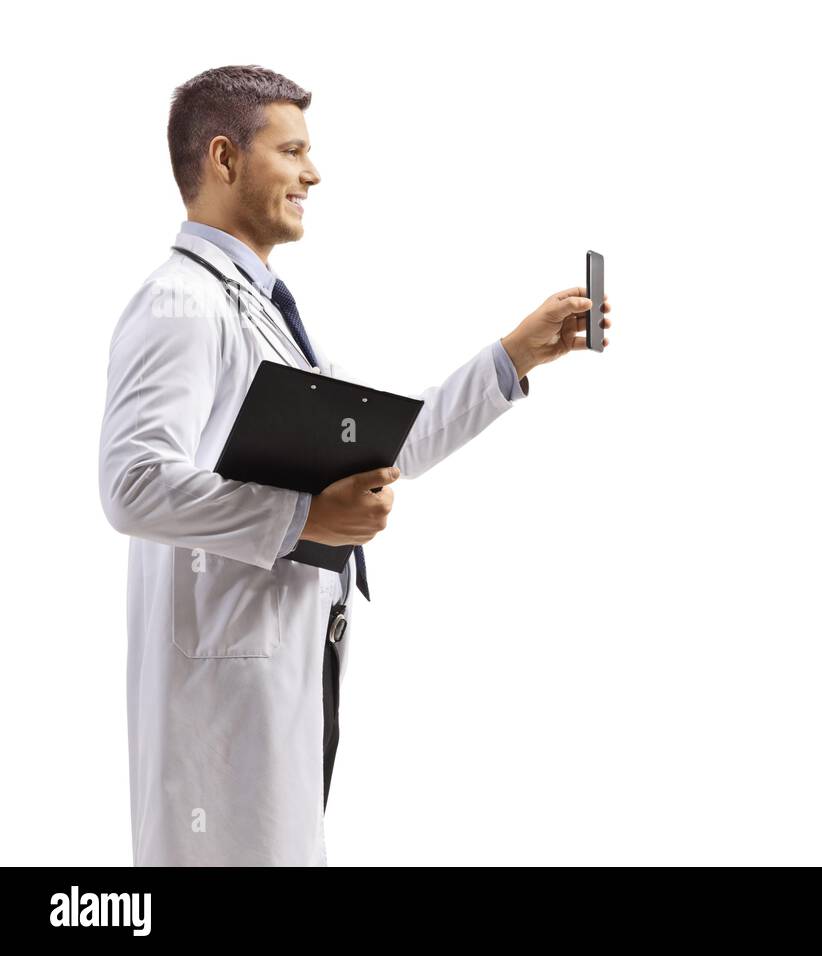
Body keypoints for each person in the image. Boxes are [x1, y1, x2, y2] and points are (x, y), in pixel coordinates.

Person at [98, 65, 612, 866]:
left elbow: (373, 455)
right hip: (223, 701)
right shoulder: (181, 304)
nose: (314, 173)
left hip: (289, 670)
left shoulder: (257, 308)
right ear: (226, 160)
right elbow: (132, 484)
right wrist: (302, 519)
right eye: (293, 151)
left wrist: (514, 357)